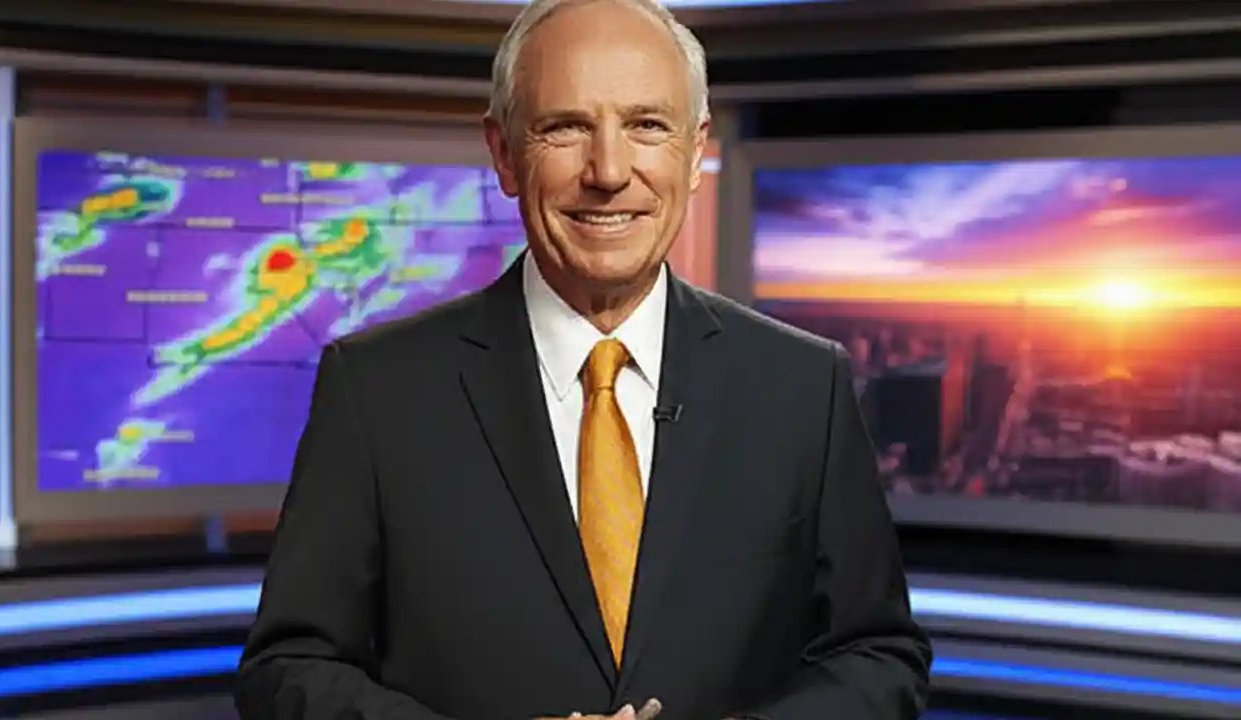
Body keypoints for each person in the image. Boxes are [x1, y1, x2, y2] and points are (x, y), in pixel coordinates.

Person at [234, 0, 932, 718]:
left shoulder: (803, 386)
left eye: (646, 126)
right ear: (504, 152)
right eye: (565, 127)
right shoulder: (377, 389)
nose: (608, 170)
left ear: (694, 154)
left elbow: (879, 657)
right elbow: (287, 669)